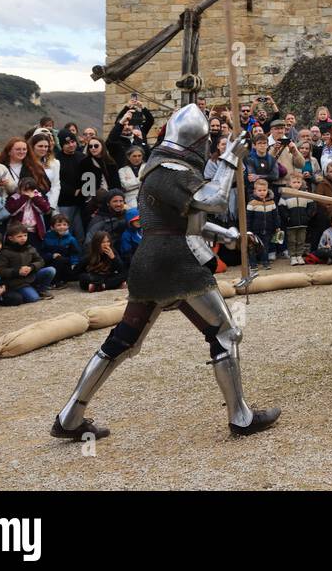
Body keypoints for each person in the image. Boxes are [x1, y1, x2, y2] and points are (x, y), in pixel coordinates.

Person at [52, 104, 279, 440]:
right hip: (175, 264)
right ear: (196, 143)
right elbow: (215, 199)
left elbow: (187, 220)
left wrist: (228, 235)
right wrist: (231, 158)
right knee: (225, 333)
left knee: (124, 342)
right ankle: (240, 416)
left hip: (155, 261)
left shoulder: (160, 169)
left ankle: (71, 416)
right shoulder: (170, 171)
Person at [0, 222, 56, 304]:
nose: (23, 238)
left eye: (25, 235)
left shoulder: (30, 248)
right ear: (11, 238)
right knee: (33, 298)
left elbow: (41, 261)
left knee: (51, 270)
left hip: (31, 276)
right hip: (17, 283)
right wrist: (17, 271)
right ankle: (24, 292)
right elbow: (0, 270)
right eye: (19, 236)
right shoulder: (5, 252)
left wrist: (31, 267)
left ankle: (41, 290)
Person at [40, 214, 81, 285]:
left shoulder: (71, 239)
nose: (62, 227)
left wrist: (74, 263)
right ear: (52, 227)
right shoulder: (47, 238)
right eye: (58, 225)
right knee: (58, 259)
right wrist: (52, 256)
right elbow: (42, 253)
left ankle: (62, 279)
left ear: (68, 226)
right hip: (50, 263)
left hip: (65, 264)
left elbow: (75, 253)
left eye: (64, 224)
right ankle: (54, 282)